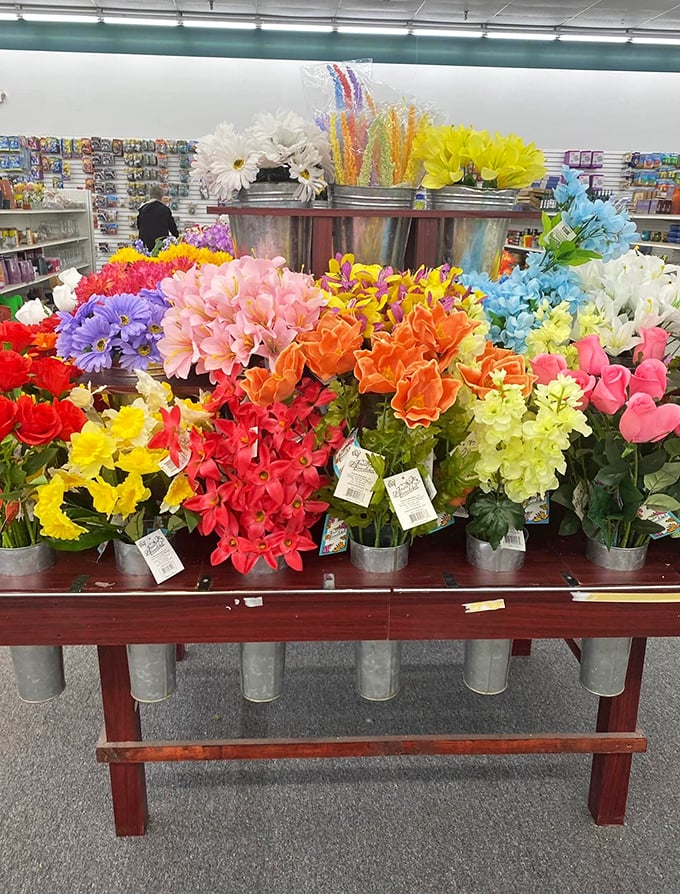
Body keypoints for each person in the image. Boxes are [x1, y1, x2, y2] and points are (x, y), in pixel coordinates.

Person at [136, 185, 179, 251]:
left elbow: (138, 226)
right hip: (160, 245)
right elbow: (173, 228)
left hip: (145, 245)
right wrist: (177, 238)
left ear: (150, 195)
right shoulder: (165, 209)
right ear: (162, 196)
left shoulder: (142, 209)